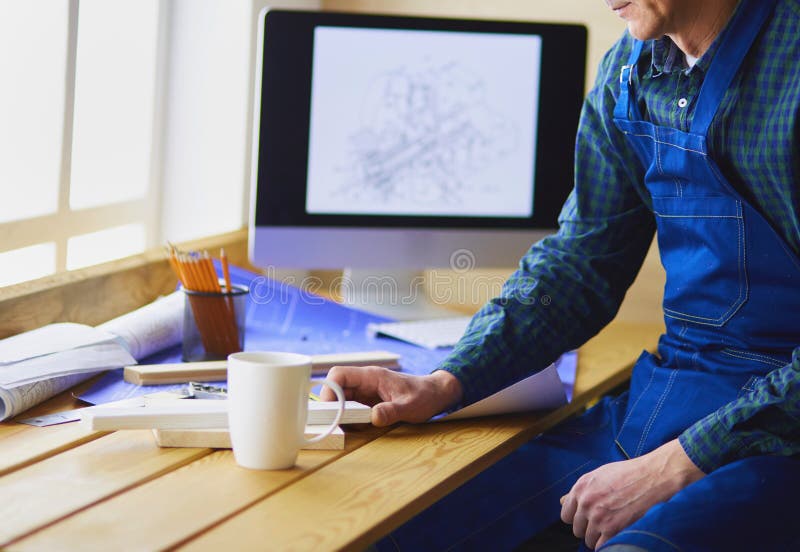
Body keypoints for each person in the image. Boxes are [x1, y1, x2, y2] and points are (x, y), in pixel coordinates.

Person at [321, 0, 800, 549]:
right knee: (407, 526)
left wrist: (677, 465)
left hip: (781, 437)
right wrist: (444, 383)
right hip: (676, 393)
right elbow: (580, 262)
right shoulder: (630, 71)